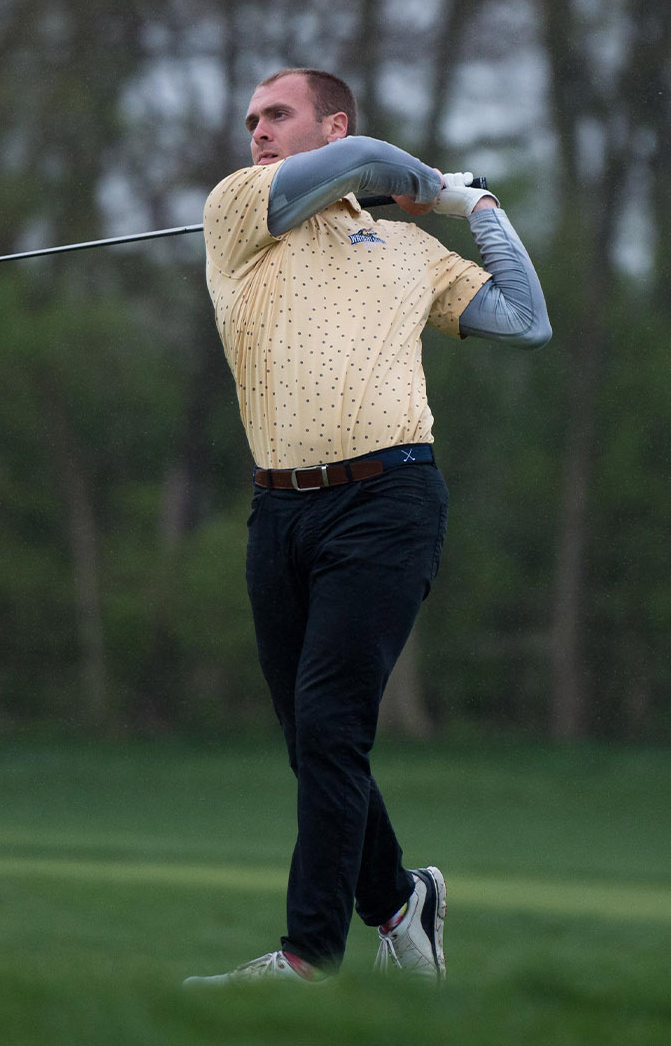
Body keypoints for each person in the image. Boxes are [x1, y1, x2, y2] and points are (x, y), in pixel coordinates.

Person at [184, 70, 550, 986]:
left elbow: (525, 320)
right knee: (310, 736)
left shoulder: (405, 248)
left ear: (331, 122)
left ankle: (308, 958)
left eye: (278, 114)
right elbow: (370, 161)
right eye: (252, 119)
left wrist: (480, 210)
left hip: (389, 500)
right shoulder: (238, 212)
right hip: (279, 510)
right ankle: (397, 899)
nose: (257, 130)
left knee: (331, 725)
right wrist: (427, 180)